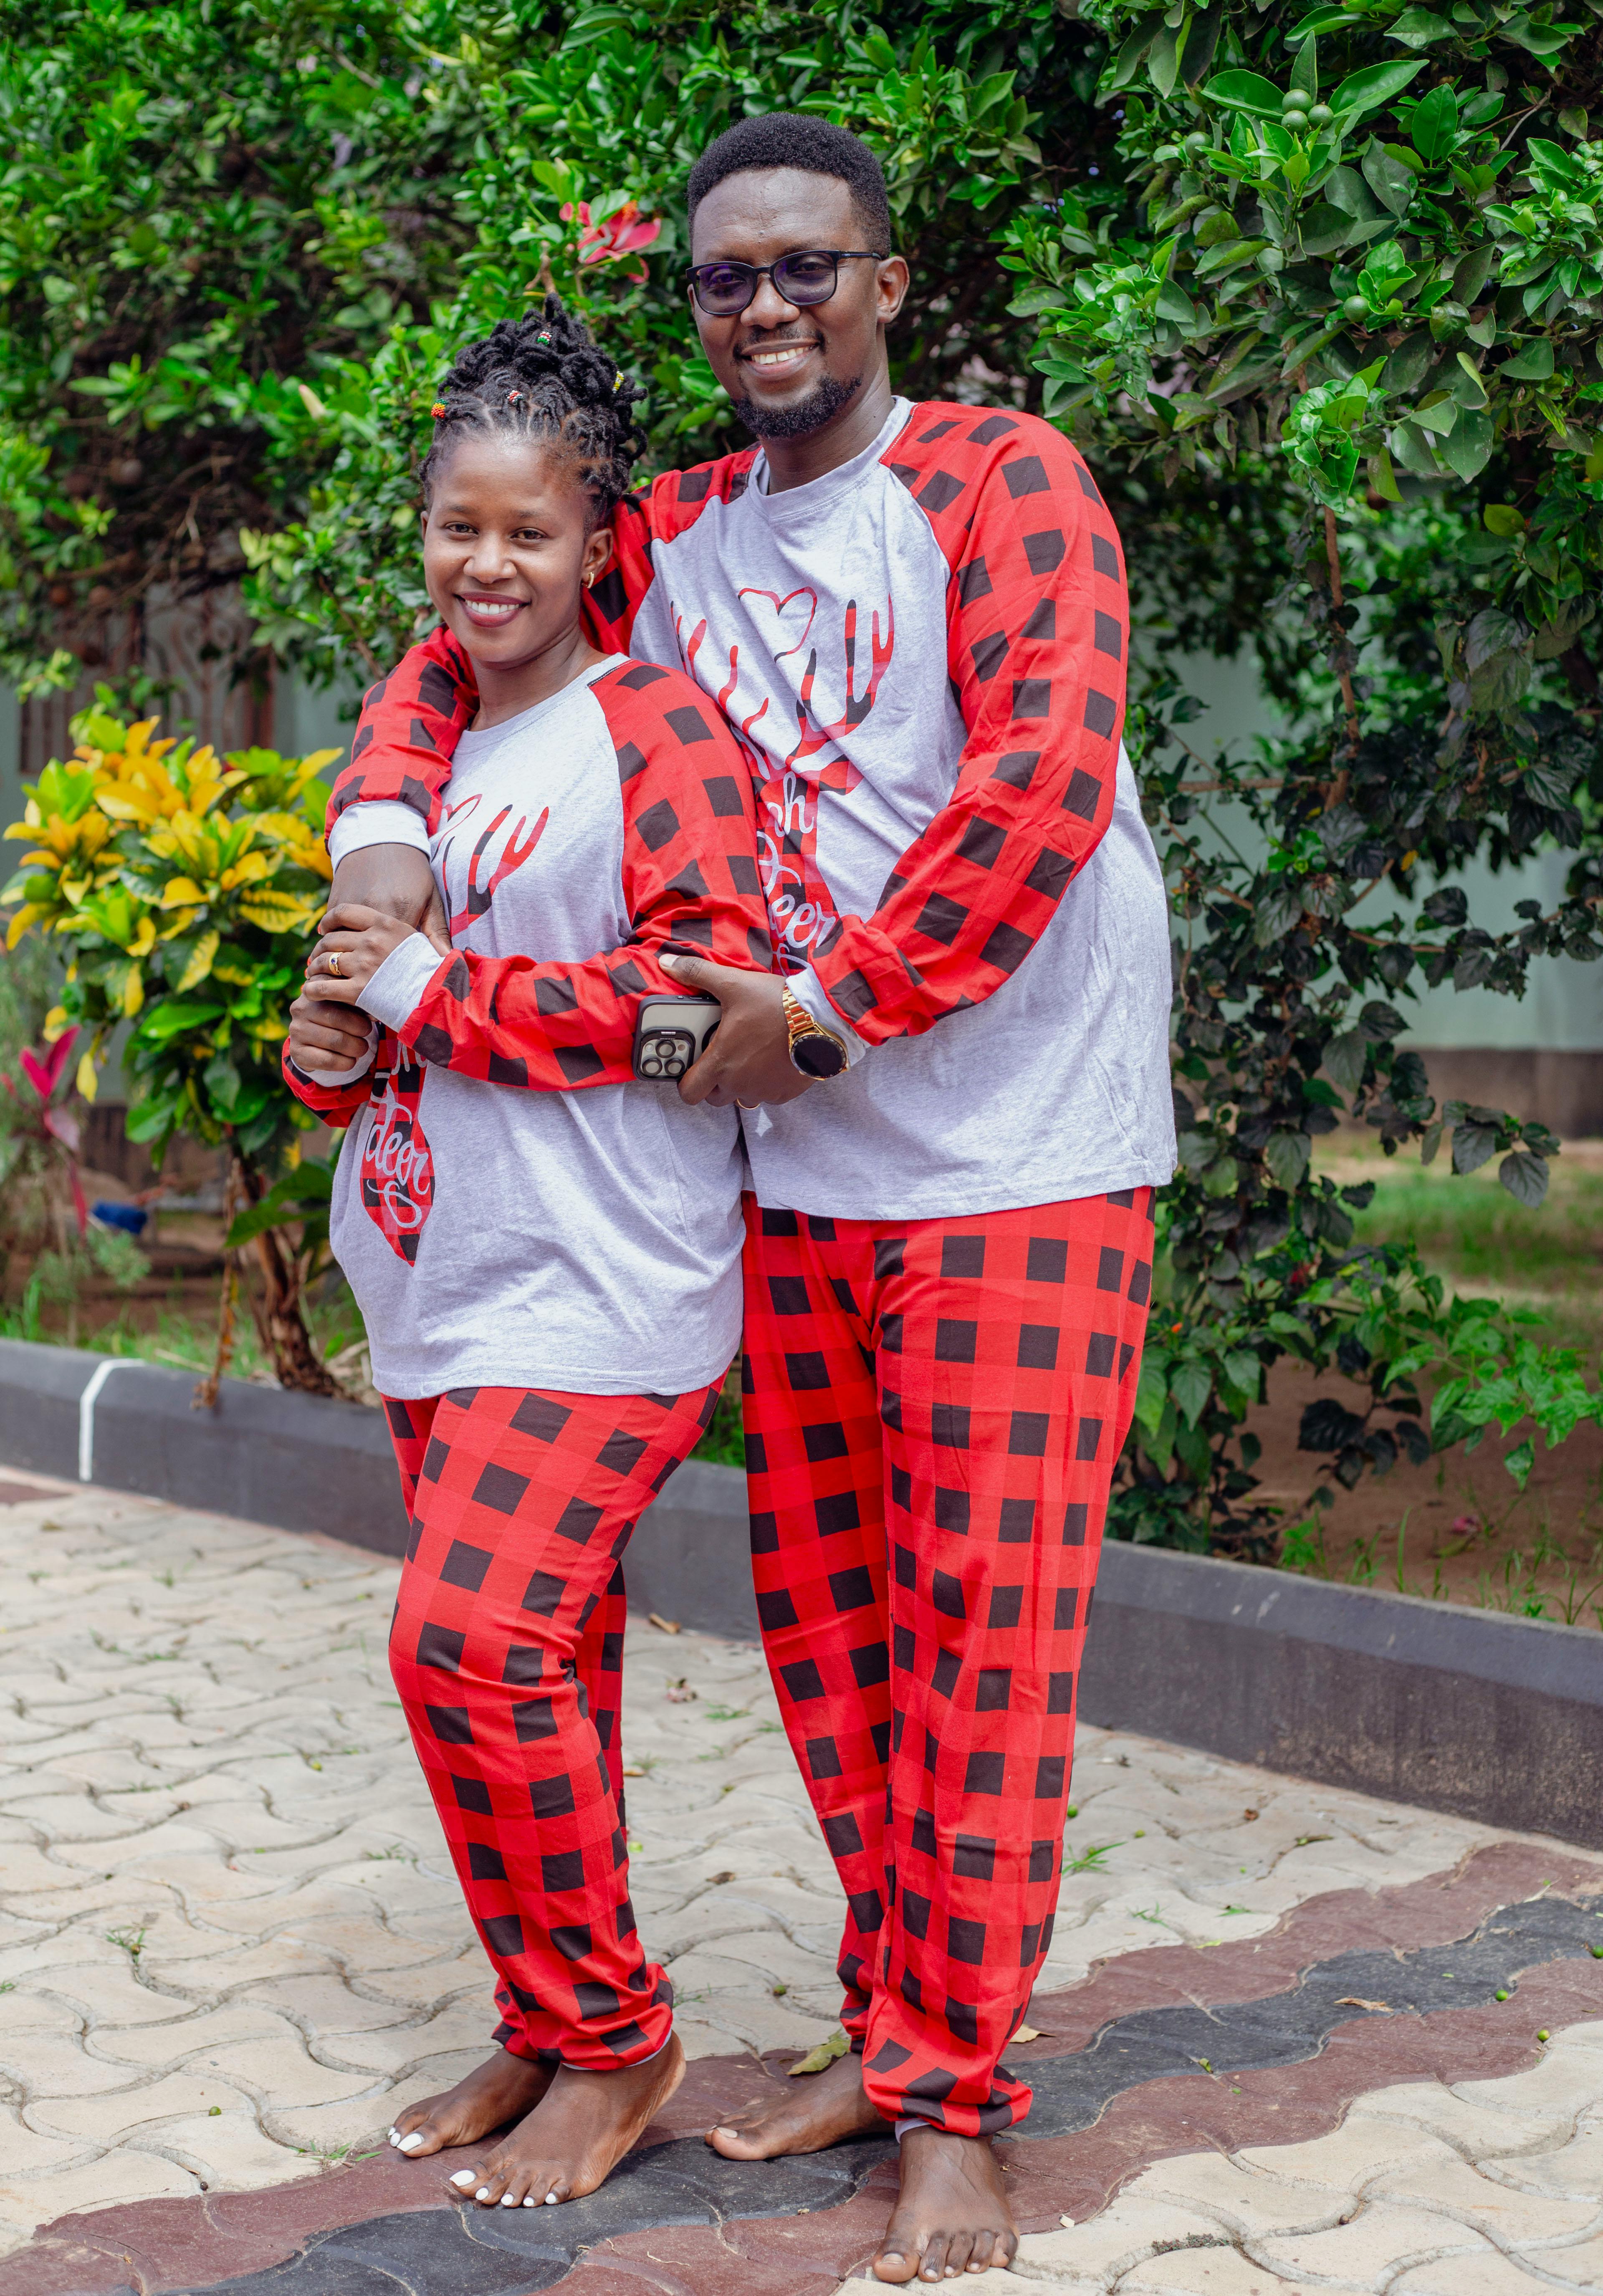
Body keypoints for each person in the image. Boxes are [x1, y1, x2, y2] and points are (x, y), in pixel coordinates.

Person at [316, 116, 1175, 2286]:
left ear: (888, 282)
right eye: (727, 282)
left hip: (1020, 1157)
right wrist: (379, 862)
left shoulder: (999, 484)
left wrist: (825, 1008)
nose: (769, 307)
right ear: (697, 312)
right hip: (778, 1179)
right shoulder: (676, 525)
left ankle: (959, 2105)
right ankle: (894, 2035)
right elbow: (457, 635)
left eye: (809, 268)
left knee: (986, 1644)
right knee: (837, 1643)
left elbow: (1042, 785)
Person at [283, 302, 773, 2215]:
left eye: (530, 534)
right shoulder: (419, 743)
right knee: (540, 1667)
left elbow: (695, 1005)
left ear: (598, 543)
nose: (488, 565)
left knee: (461, 1638)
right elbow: (375, 1008)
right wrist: (337, 1034)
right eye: (457, 528)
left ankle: (623, 2029)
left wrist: (433, 983)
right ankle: (547, 2011)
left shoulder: (650, 726)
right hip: (443, 1279)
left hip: (612, 1279)